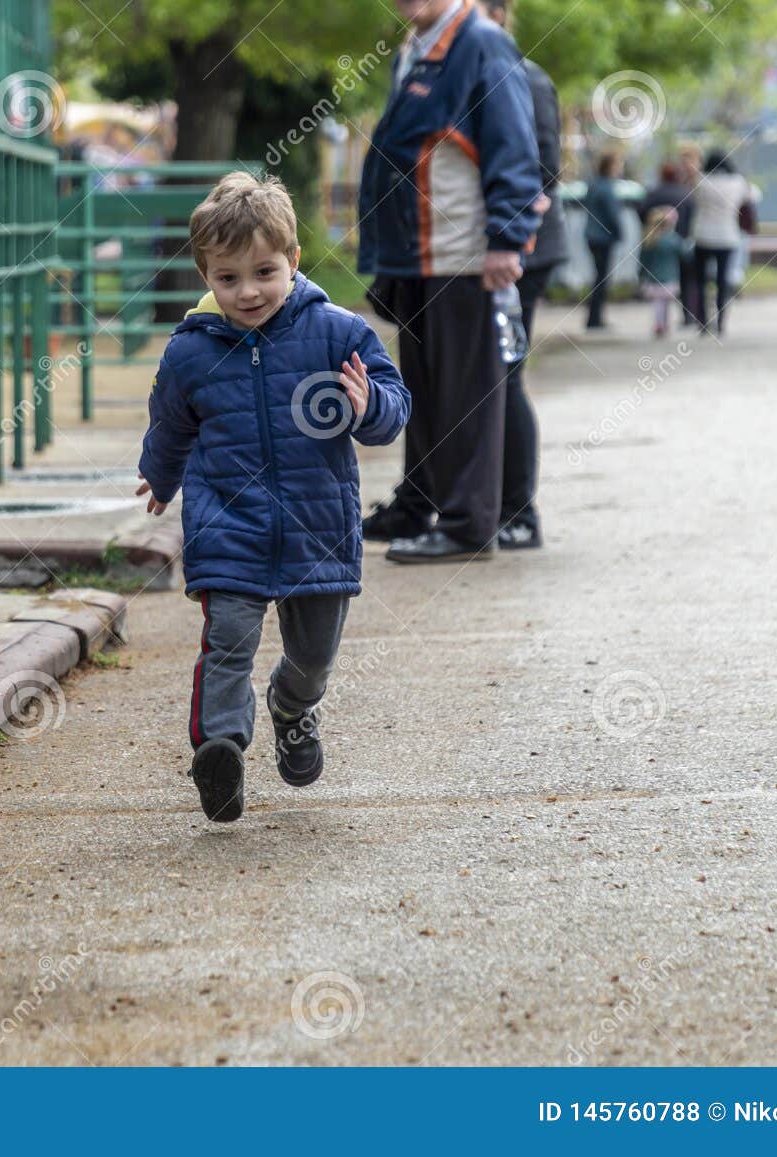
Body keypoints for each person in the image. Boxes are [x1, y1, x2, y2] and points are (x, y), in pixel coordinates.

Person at [136, 173, 409, 823]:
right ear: (207, 274)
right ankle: (221, 749)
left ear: (293, 260)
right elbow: (171, 423)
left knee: (313, 657)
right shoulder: (191, 353)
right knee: (228, 638)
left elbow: (394, 404)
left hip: (318, 527)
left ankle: (292, 707)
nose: (248, 291)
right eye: (228, 278)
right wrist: (161, 472)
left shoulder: (336, 333)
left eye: (264, 271)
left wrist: (370, 409)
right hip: (228, 521)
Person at [356, 0, 543, 562]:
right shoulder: (418, 46)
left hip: (460, 256)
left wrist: (508, 240)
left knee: (467, 395)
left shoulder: (480, 43)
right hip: (420, 255)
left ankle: (467, 525)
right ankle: (434, 509)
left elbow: (513, 145)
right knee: (430, 393)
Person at [480, 0, 563, 551]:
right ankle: (490, 504)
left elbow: (542, 169)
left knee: (505, 374)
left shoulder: (519, 75)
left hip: (520, 252)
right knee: (485, 376)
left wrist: (506, 242)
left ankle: (519, 510)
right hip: (499, 248)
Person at [690, 150, 758, 335]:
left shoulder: (701, 181)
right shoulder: (738, 182)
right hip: (728, 236)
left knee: (701, 281)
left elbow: (693, 201)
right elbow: (753, 197)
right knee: (722, 280)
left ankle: (702, 322)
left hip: (703, 235)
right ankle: (721, 321)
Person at [581, 152, 624, 330]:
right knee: (602, 278)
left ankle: (594, 316)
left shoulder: (592, 184)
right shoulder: (607, 187)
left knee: (598, 277)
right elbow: (612, 216)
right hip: (603, 238)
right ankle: (595, 318)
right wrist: (620, 233)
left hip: (591, 236)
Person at [638, 197, 682, 338]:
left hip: (653, 278)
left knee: (657, 303)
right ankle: (665, 323)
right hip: (669, 277)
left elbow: (643, 261)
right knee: (666, 303)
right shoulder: (673, 239)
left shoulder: (650, 240)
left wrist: (641, 275)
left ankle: (659, 324)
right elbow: (685, 253)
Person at [675, 143, 703, 324]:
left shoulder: (702, 183)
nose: (686, 166)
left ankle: (698, 313)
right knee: (684, 277)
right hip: (682, 234)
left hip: (699, 234)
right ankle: (687, 315)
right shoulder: (679, 185)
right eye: (684, 162)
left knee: (697, 277)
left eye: (690, 161)